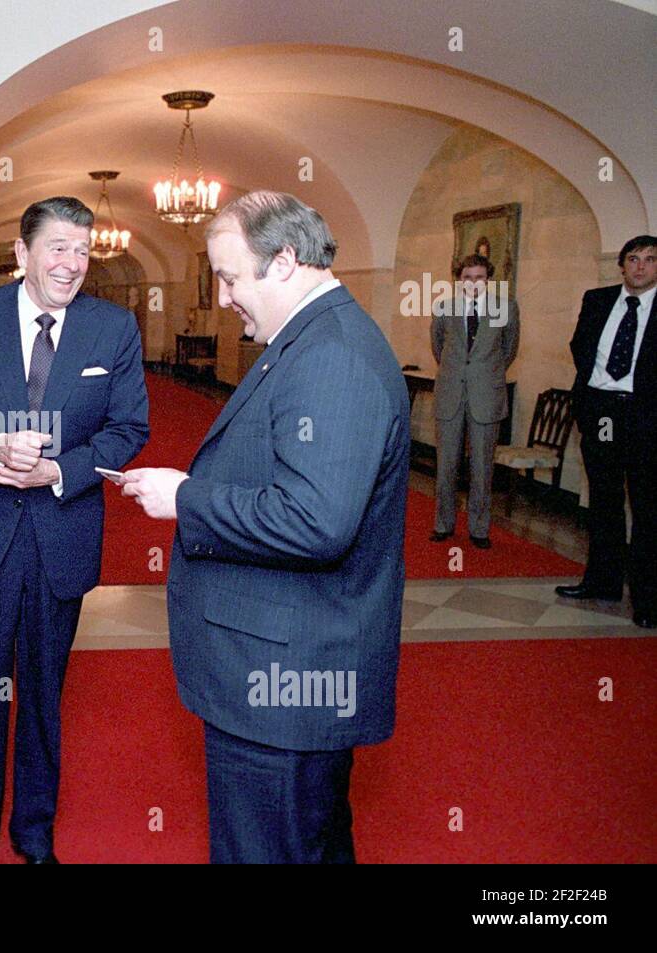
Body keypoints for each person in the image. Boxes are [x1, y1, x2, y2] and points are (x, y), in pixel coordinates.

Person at [123, 191, 409, 863]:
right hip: (282, 671)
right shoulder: (311, 339)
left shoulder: (330, 356)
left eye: (229, 276)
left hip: (286, 681)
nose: (223, 296)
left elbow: (317, 521)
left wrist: (188, 498)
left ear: (283, 263)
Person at [0, 197, 149, 863]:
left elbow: (128, 427)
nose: (71, 263)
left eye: (82, 250)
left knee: (44, 698)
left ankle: (34, 834)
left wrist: (59, 469)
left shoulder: (113, 329)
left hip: (62, 536)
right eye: (57, 247)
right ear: (22, 254)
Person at [555, 235, 657, 628]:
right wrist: (596, 397)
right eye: (633, 259)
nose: (640, 267)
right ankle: (602, 581)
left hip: (644, 415)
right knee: (604, 497)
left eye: (649, 260)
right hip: (602, 411)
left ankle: (647, 599)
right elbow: (581, 346)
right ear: (622, 264)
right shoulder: (597, 299)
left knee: (646, 505)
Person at [429, 253, 520, 548]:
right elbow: (438, 346)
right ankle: (443, 524)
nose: (473, 283)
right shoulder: (445, 307)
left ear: (488, 280)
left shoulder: (506, 307)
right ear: (459, 280)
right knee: (446, 464)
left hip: (486, 395)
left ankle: (479, 528)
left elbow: (509, 350)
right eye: (467, 277)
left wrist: (484, 373)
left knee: (482, 467)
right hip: (451, 393)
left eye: (479, 277)